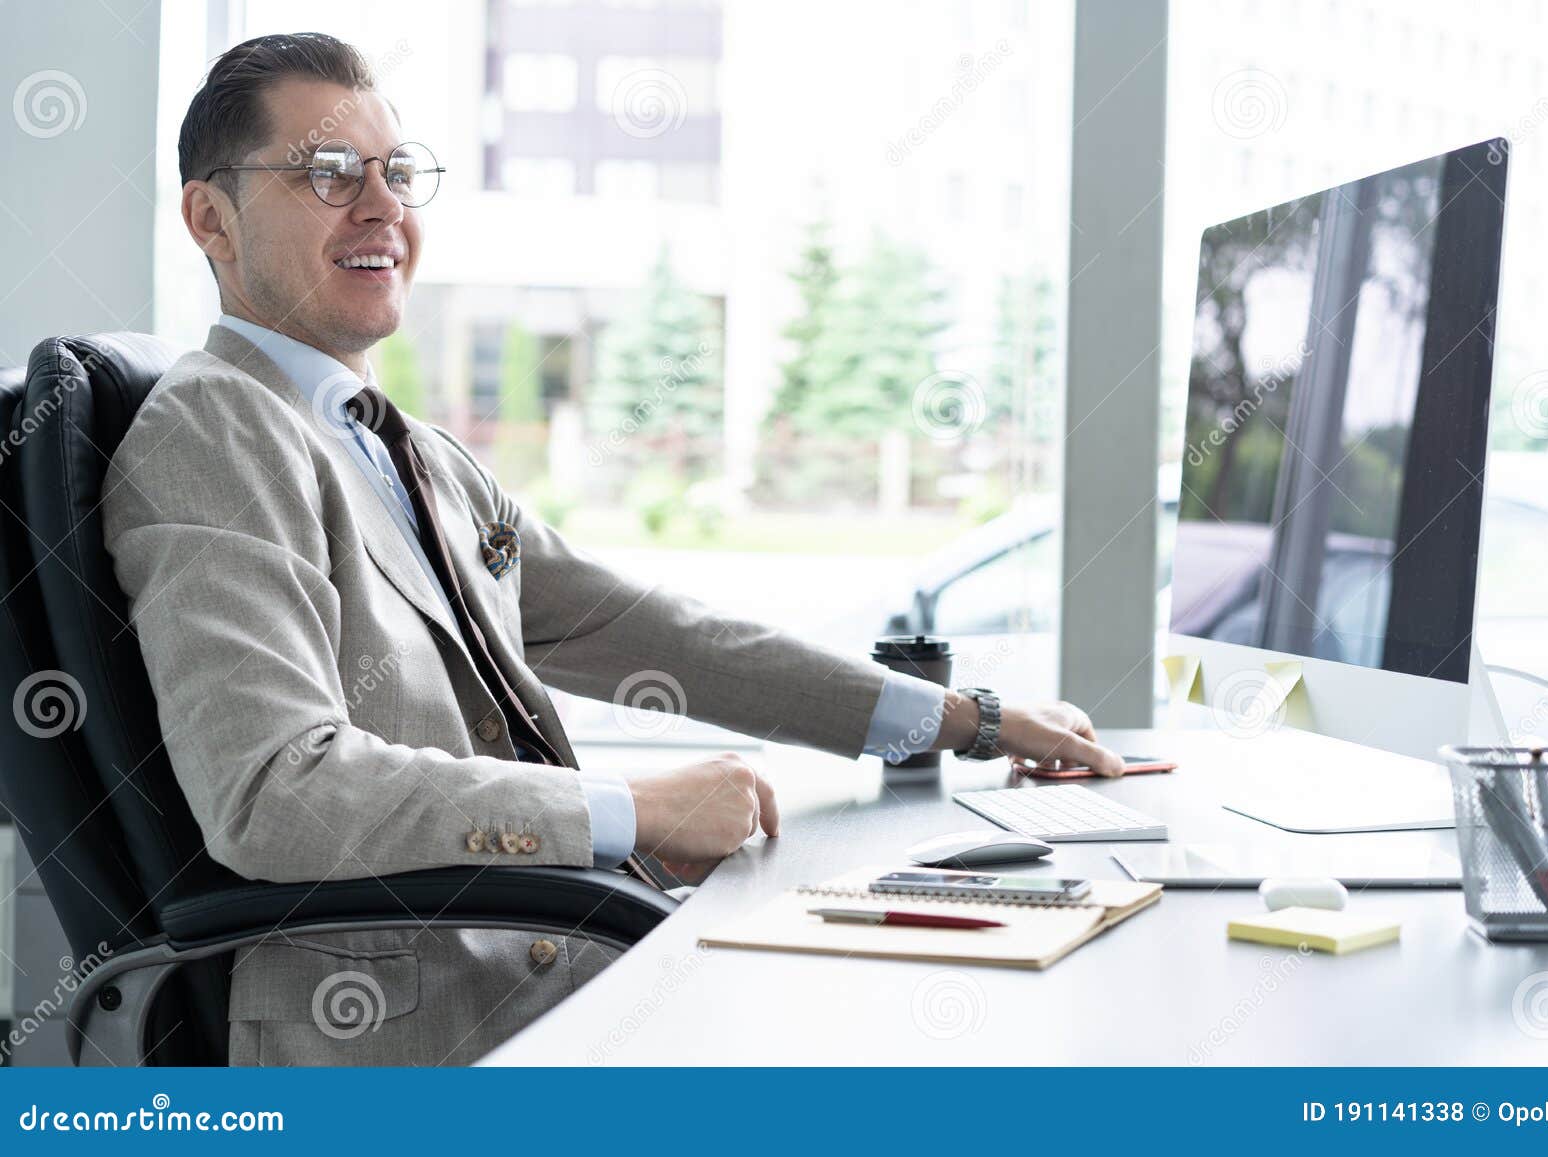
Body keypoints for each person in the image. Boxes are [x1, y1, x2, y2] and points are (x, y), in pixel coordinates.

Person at [104, 32, 1122, 1065]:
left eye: (398, 173)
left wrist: (961, 720)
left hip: (547, 960)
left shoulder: (406, 448)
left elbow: (647, 632)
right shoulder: (218, 429)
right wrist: (630, 811)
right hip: (417, 1029)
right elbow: (276, 791)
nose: (383, 209)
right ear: (210, 217)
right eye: (328, 174)